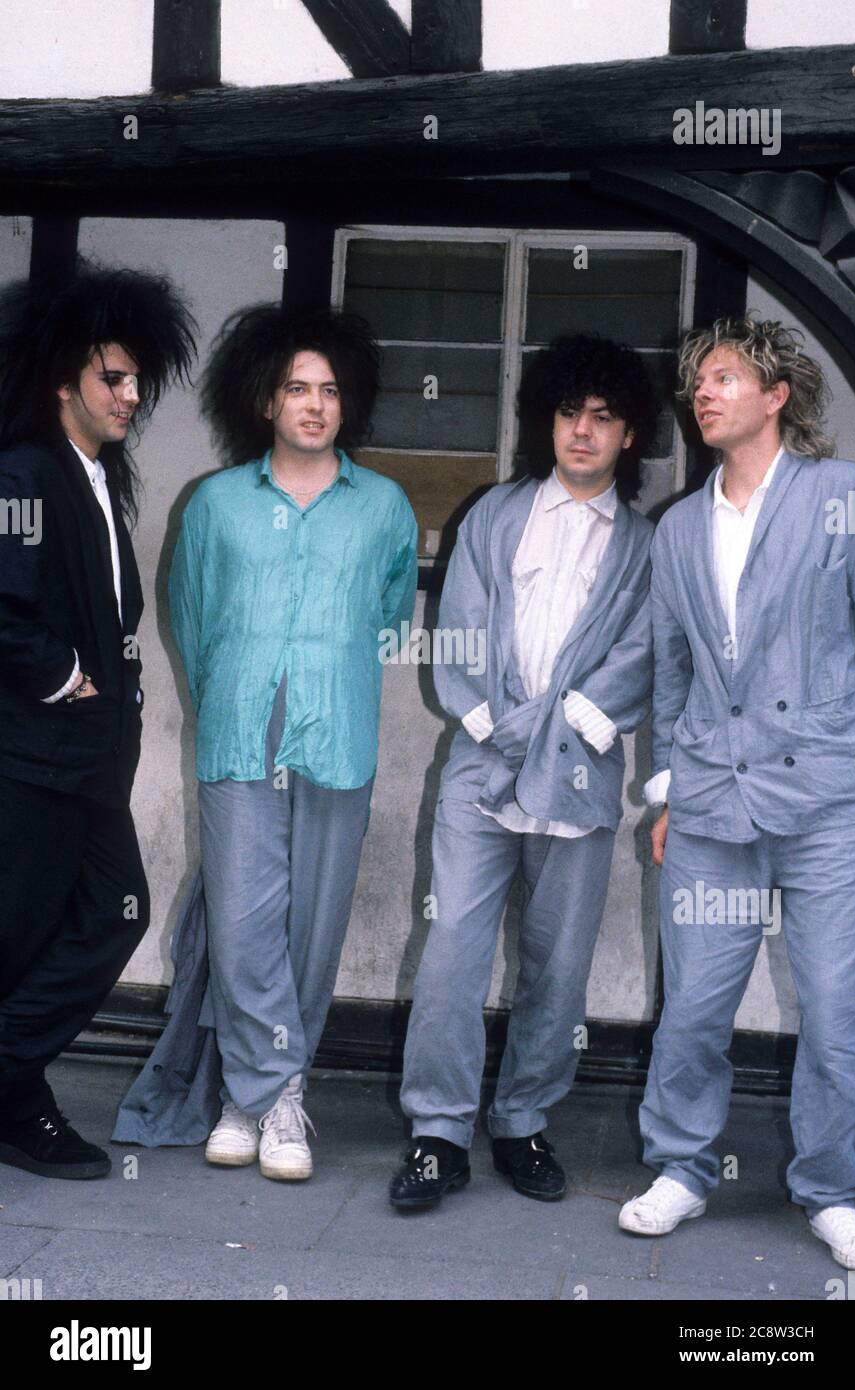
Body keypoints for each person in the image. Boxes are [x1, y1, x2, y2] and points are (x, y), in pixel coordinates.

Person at [389, 335, 657, 1209]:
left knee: (559, 965)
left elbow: (645, 647)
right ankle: (436, 1132)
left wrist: (586, 718)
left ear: (628, 434)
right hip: (483, 765)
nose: (583, 431)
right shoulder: (496, 515)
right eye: (569, 413)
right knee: (453, 955)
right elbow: (460, 621)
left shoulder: (645, 546)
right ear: (547, 421)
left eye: (604, 417)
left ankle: (521, 1124)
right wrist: (483, 716)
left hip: (579, 773)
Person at [620, 315, 855, 1274]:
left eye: (724, 378)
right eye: (698, 383)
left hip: (828, 803)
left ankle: (834, 1188)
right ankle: (681, 1167)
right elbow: (671, 671)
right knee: (692, 1005)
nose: (703, 394)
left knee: (841, 1006)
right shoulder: (678, 527)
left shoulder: (845, 498)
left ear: (777, 396)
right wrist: (672, 790)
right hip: (713, 804)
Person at [166, 307, 417, 1181]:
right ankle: (259, 1098)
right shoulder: (217, 504)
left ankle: (268, 1100)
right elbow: (193, 623)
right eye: (297, 389)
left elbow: (388, 614)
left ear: (350, 403)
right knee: (241, 928)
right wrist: (234, 697)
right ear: (266, 400)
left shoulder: (382, 506)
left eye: (330, 390)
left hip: (337, 734)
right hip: (242, 731)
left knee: (311, 927)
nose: (314, 405)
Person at [0, 261, 196, 1179]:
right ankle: (18, 1095)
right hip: (33, 761)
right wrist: (64, 675)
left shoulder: (94, 475)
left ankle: (8, 1077)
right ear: (61, 379)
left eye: (135, 380)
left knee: (114, 915)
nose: (130, 394)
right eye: (112, 377)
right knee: (25, 932)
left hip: (89, 768)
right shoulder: (25, 472)